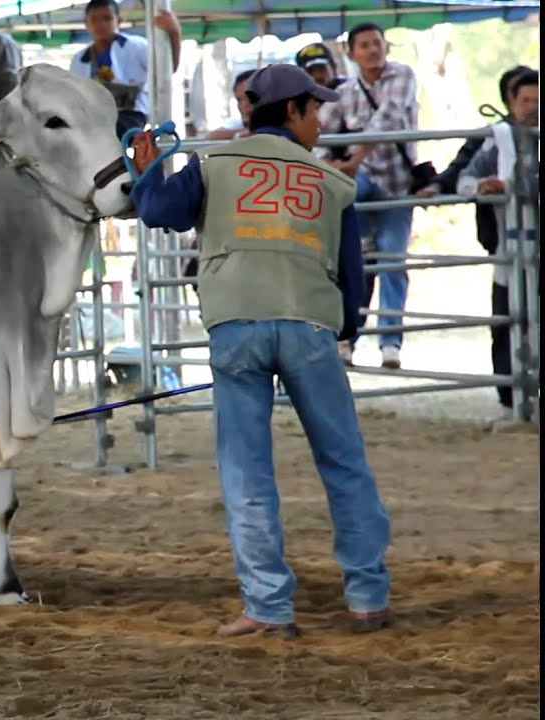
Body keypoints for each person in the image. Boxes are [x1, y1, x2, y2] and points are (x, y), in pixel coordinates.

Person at [126, 63, 393, 637]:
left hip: (235, 326)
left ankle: (268, 606)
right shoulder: (330, 183)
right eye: (315, 109)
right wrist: (341, 330)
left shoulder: (214, 165)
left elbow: (157, 213)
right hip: (310, 328)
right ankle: (367, 595)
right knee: (344, 462)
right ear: (292, 111)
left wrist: (147, 173)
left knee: (247, 470)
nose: (321, 120)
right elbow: (352, 274)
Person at [322, 22, 423, 369]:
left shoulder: (402, 76)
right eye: (363, 45)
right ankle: (348, 336)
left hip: (394, 182)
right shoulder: (346, 91)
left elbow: (388, 118)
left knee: (393, 261)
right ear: (351, 53)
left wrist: (352, 160)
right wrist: (329, 164)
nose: (371, 50)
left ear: (387, 47)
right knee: (356, 262)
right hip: (360, 180)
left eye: (376, 43)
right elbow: (319, 127)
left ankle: (390, 342)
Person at [457, 69, 539, 418]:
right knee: (505, 322)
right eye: (526, 101)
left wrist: (513, 188)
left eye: (538, 101)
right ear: (511, 103)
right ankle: (509, 400)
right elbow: (463, 181)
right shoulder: (498, 142)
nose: (533, 107)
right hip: (510, 250)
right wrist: (483, 187)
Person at [68, 0, 181, 137]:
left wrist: (174, 33)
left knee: (109, 135)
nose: (101, 25)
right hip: (94, 120)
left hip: (130, 117)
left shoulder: (136, 46)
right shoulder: (79, 59)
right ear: (86, 24)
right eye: (94, 20)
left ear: (118, 21)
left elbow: (167, 70)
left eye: (107, 18)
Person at [204, 69, 257, 141]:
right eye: (239, 100)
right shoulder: (236, 124)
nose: (244, 104)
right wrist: (241, 134)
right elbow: (211, 136)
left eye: (249, 97)